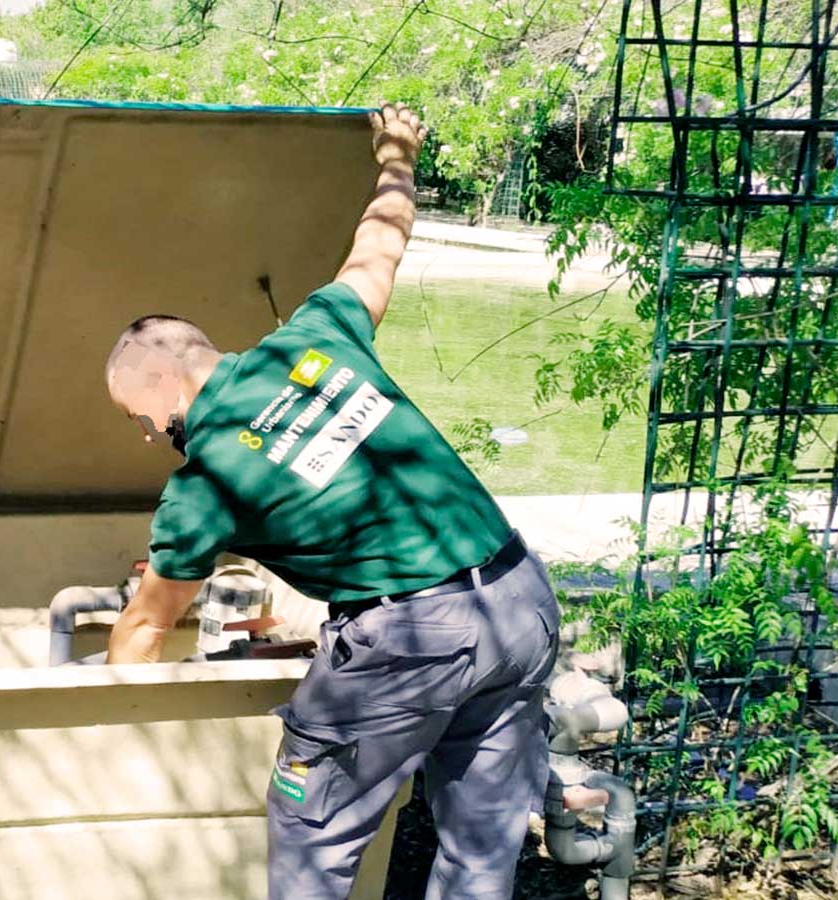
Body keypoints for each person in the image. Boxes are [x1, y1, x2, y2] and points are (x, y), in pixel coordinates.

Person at [101, 104, 561, 900]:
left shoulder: (204, 480)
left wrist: (103, 730)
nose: (149, 437)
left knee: (310, 835)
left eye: (141, 422)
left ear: (165, 394)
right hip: (519, 603)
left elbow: (145, 625)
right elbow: (379, 244)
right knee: (482, 853)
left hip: (412, 639)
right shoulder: (317, 335)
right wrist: (397, 155)